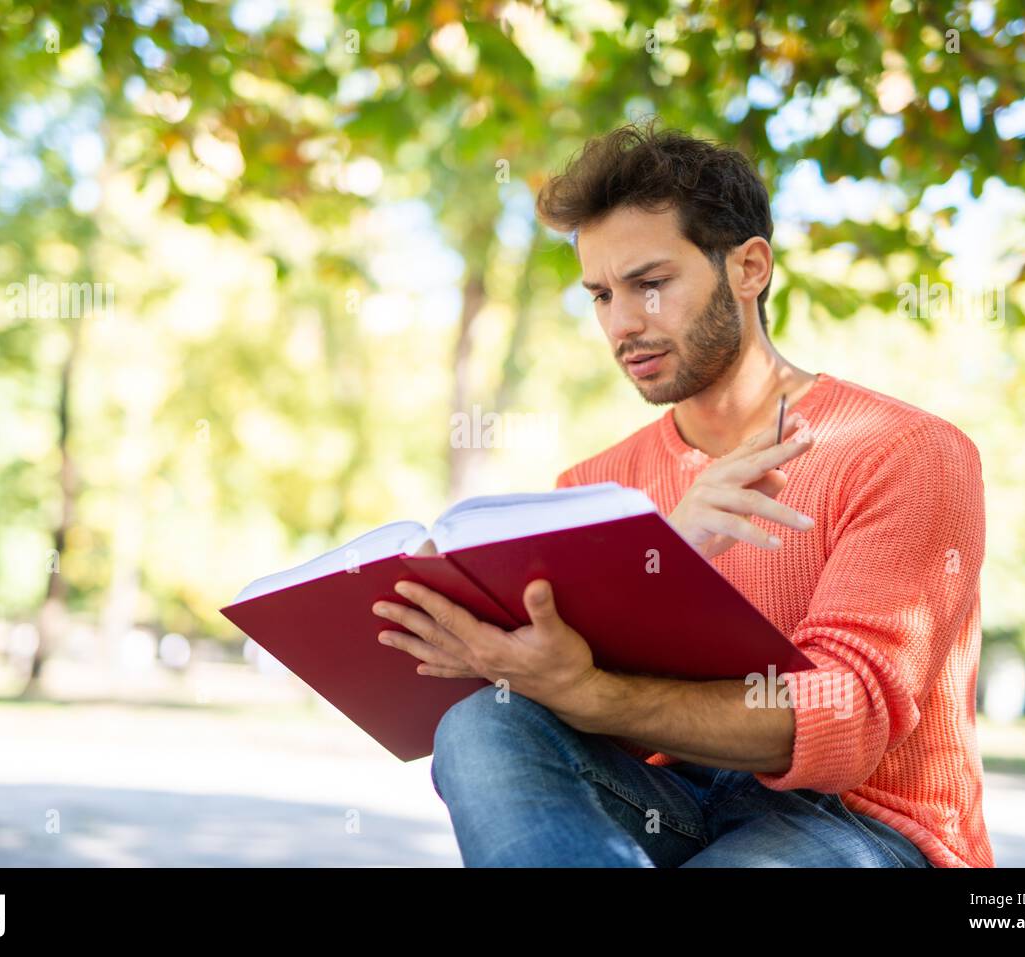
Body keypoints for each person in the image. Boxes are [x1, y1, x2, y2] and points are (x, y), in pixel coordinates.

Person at [371, 119, 993, 868]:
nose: (622, 324)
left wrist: (596, 687)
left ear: (750, 267)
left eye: (651, 284)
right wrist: (514, 652)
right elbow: (591, 722)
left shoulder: (901, 451)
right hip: (671, 803)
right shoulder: (594, 487)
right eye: (600, 294)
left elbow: (845, 718)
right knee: (481, 725)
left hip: (859, 821)